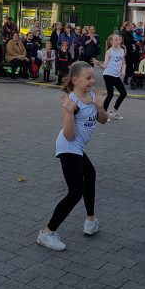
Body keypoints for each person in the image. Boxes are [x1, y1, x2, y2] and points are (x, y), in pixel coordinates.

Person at [36, 62, 108, 251]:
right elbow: (69, 135)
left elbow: (103, 120)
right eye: (88, 78)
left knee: (90, 174)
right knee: (75, 192)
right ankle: (46, 233)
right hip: (68, 146)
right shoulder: (72, 101)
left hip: (77, 147)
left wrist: (100, 107)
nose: (92, 81)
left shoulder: (93, 96)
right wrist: (69, 112)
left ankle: (90, 221)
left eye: (93, 77)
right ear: (75, 80)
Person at [94, 33, 128, 121]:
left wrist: (123, 71)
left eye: (119, 39)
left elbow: (124, 63)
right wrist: (98, 63)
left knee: (123, 93)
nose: (118, 41)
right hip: (108, 74)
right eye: (116, 40)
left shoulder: (122, 50)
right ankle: (103, 114)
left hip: (116, 75)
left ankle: (114, 112)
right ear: (111, 41)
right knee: (110, 94)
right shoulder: (109, 51)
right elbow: (105, 66)